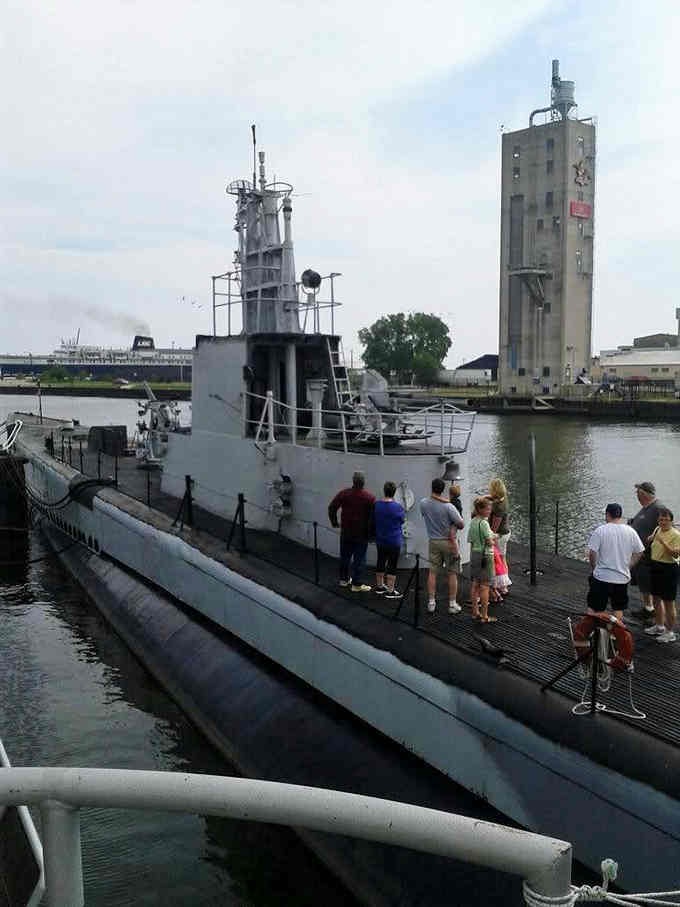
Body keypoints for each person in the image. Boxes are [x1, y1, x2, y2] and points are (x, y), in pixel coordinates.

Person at [587, 503, 644, 620]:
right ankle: (613, 634)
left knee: (594, 607)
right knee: (618, 608)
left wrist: (594, 568)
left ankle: (592, 632)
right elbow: (640, 551)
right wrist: (629, 565)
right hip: (621, 578)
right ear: (620, 515)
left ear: (607, 514)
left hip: (602, 577)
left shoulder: (600, 530)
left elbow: (592, 553)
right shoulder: (630, 531)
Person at [419, 478, 464, 614]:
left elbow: (424, 515)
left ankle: (431, 602)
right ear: (443, 489)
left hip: (433, 541)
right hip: (449, 543)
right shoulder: (448, 506)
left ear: (432, 488)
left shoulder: (423, 503)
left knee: (432, 572)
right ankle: (452, 604)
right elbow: (461, 524)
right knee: (452, 573)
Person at [328, 471, 375, 593]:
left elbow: (332, 507)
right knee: (359, 559)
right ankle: (356, 584)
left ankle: (343, 580)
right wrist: (371, 535)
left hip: (346, 531)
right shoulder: (369, 498)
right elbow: (372, 518)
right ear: (363, 483)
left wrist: (334, 522)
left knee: (345, 556)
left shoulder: (344, 494)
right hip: (361, 534)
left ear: (353, 481)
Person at [629, 481, 664, 621]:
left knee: (652, 587)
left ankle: (659, 621)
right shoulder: (645, 508)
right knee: (643, 583)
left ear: (643, 494)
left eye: (638, 493)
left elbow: (666, 529)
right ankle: (648, 608)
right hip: (641, 554)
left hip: (650, 556)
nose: (636, 496)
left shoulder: (658, 508)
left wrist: (652, 543)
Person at [643, 508, 680, 643]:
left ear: (671, 521)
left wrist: (662, 541)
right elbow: (651, 541)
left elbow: (676, 554)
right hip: (656, 566)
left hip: (669, 568)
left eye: (666, 520)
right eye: (661, 519)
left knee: (669, 602)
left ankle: (670, 632)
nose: (663, 522)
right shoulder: (657, 529)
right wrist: (651, 539)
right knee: (656, 598)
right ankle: (659, 626)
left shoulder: (676, 535)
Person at [374, 481, 405, 599]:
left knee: (380, 561)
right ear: (394, 492)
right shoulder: (398, 507)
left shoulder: (377, 505)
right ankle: (391, 590)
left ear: (384, 490)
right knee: (392, 564)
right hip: (394, 540)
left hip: (380, 539)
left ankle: (380, 586)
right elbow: (402, 520)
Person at [468, 497, 496, 622]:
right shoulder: (484, 523)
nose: (490, 511)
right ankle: (484, 616)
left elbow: (471, 541)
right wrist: (494, 539)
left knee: (475, 584)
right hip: (485, 556)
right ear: (481, 509)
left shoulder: (473, 521)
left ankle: (475, 612)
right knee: (485, 586)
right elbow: (489, 542)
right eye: (488, 509)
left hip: (475, 554)